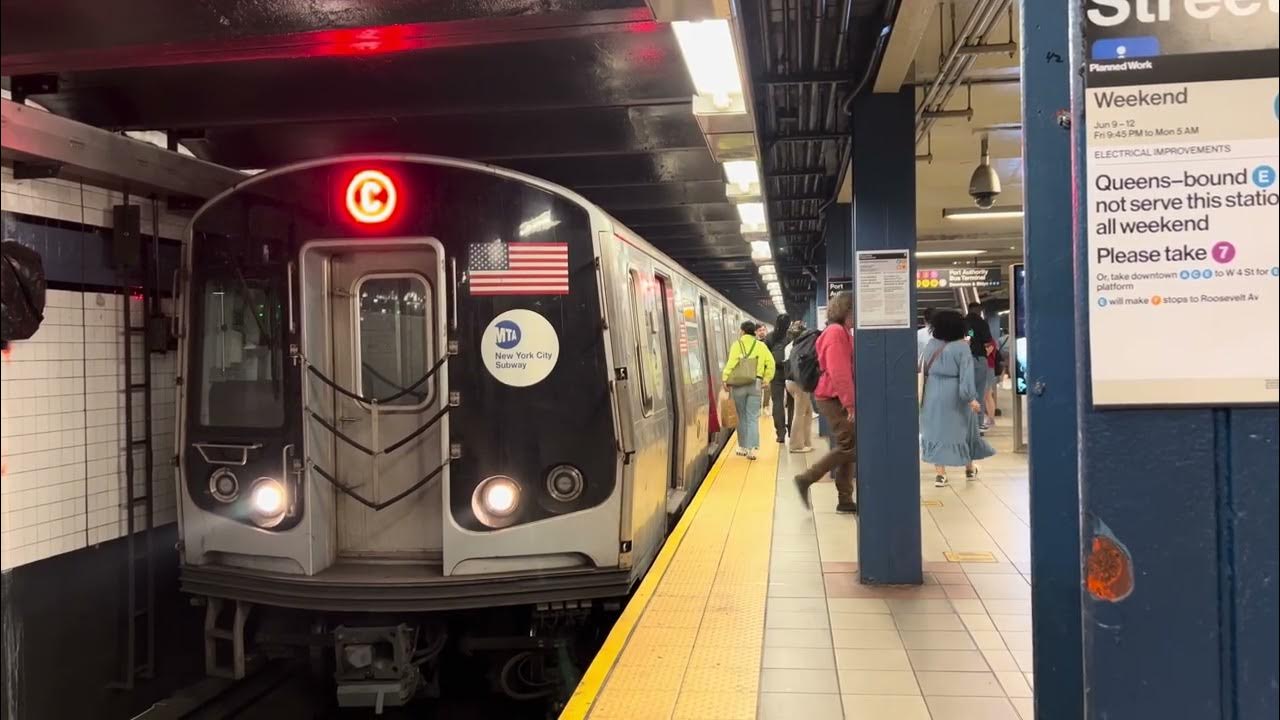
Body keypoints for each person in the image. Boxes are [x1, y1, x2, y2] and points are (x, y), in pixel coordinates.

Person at [793, 291, 857, 514]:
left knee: (848, 445)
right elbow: (838, 372)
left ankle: (845, 499)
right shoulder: (835, 333)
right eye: (853, 310)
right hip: (832, 397)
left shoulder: (842, 331)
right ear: (846, 311)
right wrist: (850, 403)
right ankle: (806, 478)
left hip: (835, 396)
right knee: (850, 447)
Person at [920, 309, 996, 487]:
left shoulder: (931, 344)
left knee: (936, 430)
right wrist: (971, 398)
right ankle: (969, 469)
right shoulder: (962, 347)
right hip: (954, 393)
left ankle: (940, 474)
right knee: (965, 430)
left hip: (932, 392)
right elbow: (966, 376)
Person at [722, 321, 775, 460]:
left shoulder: (736, 345)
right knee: (752, 416)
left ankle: (743, 447)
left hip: (739, 383)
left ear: (743, 331)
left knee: (741, 416)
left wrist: (725, 379)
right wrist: (767, 379)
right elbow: (771, 363)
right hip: (756, 383)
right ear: (754, 332)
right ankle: (752, 449)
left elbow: (731, 363)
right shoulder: (761, 346)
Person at [966, 303, 998, 430]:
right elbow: (987, 341)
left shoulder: (963, 322)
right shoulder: (982, 323)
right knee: (979, 391)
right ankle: (978, 424)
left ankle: (966, 424)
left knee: (966, 391)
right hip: (979, 359)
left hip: (965, 360)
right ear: (978, 311)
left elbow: (966, 337)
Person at [782, 322, 813, 453]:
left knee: (807, 411)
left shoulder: (789, 346)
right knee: (800, 413)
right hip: (798, 382)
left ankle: (806, 441)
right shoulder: (800, 346)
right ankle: (795, 445)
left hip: (791, 381)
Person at [765, 314, 794, 444]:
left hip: (775, 373)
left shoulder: (770, 337)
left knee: (777, 403)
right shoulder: (792, 336)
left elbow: (766, 356)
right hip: (791, 372)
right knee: (792, 401)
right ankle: (792, 430)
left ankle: (780, 434)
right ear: (789, 324)